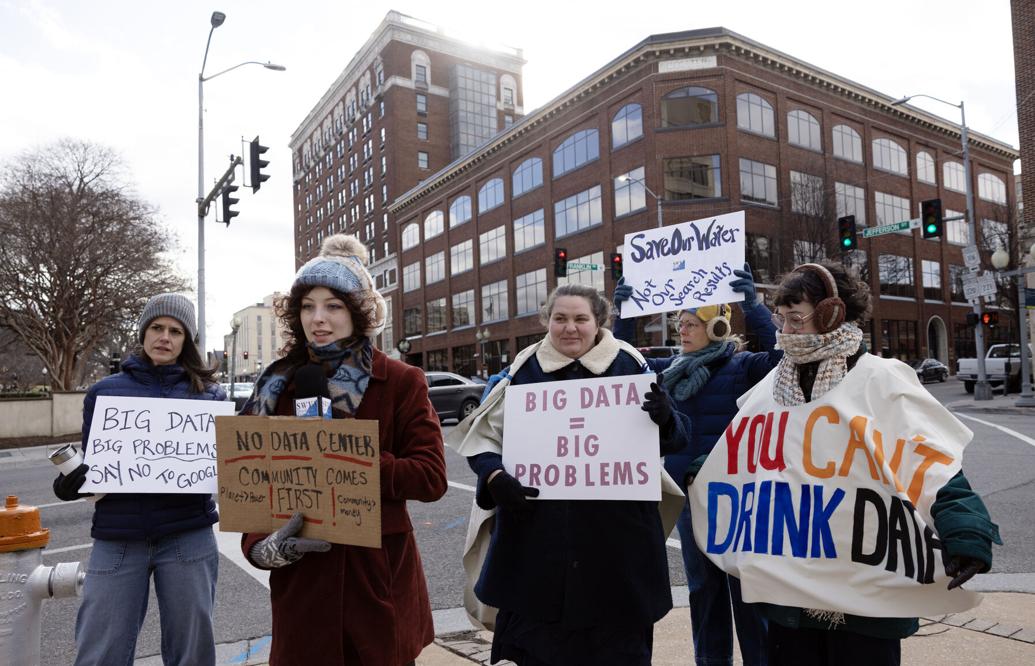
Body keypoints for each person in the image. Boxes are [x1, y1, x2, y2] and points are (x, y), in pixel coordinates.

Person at [736, 260, 1000, 665]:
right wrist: (701, 469)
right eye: (781, 318)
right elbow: (745, 451)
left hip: (865, 594)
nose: (784, 331)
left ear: (830, 315)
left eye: (795, 318)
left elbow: (931, 461)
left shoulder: (881, 380)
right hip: (792, 591)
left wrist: (964, 527)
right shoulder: (775, 385)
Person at [450, 283, 689, 666]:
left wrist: (665, 417)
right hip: (536, 552)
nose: (570, 328)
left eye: (581, 319)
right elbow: (483, 439)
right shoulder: (522, 369)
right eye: (560, 318)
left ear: (598, 323)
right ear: (547, 321)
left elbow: (676, 438)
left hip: (617, 554)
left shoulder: (631, 364)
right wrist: (495, 476)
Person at [239, 234, 447, 666]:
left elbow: (430, 477)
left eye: (333, 306)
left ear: (357, 312)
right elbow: (251, 483)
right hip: (304, 585)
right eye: (308, 306)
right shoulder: (277, 385)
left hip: (377, 579)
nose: (319, 318)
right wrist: (261, 547)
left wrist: (347, 457)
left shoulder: (401, 381)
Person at [613, 263, 779, 666]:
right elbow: (621, 368)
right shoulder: (667, 372)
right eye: (680, 323)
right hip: (690, 497)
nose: (681, 330)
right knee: (703, 590)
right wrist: (624, 319)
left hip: (740, 498)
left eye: (691, 323)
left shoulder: (745, 366)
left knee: (747, 591)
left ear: (717, 328)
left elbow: (781, 356)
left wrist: (754, 307)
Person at [51, 293, 225, 666]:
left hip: (187, 534)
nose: (165, 336)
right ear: (144, 333)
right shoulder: (104, 392)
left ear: (186, 341)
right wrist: (74, 481)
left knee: (192, 649)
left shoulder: (209, 396)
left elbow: (223, 465)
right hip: (118, 537)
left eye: (175, 331)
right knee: (101, 649)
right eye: (157, 328)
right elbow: (95, 469)